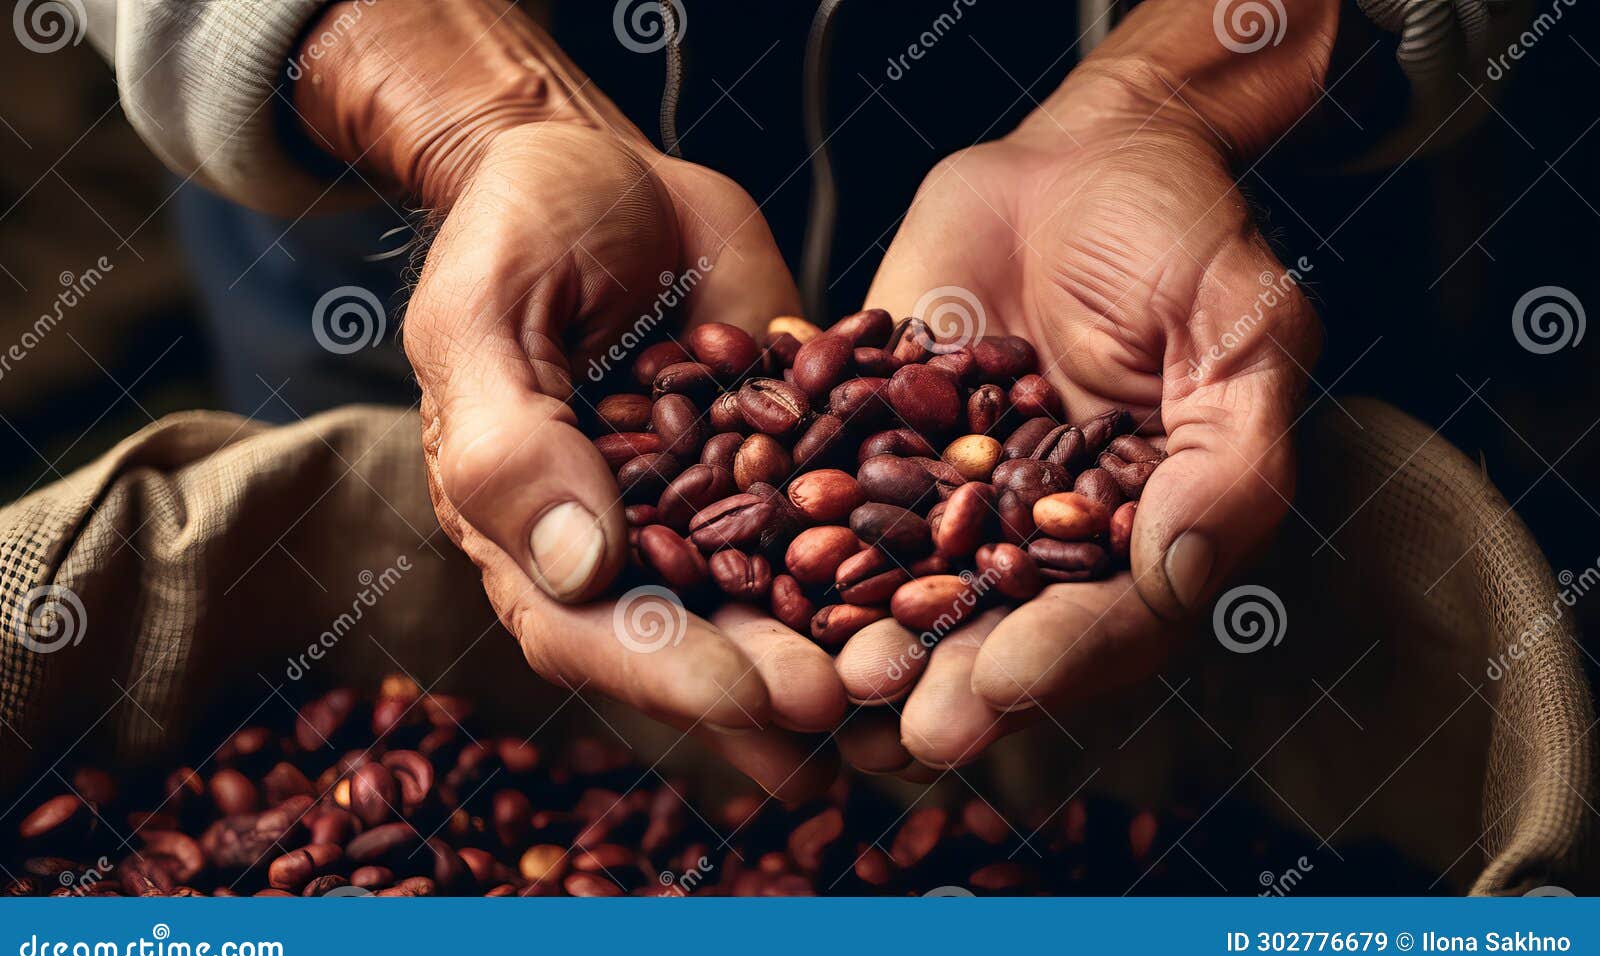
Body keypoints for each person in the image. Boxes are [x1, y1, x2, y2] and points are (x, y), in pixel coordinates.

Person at [80, 0, 1526, 797]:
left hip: (1206, 214)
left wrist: (1176, 96)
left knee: (1273, 634)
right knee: (434, 559)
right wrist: (478, 121)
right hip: (404, 174)